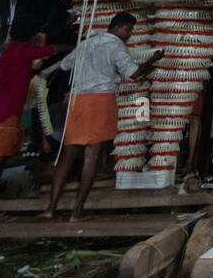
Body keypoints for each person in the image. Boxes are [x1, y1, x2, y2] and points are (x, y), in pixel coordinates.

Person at [40, 13, 159, 221]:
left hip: (78, 102)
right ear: (121, 28)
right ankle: (77, 212)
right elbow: (134, 73)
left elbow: (65, 65)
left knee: (67, 156)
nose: (130, 35)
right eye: (129, 30)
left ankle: (51, 209)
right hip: (100, 100)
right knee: (91, 157)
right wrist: (153, 60)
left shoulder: (87, 44)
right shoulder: (116, 47)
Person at [0, 22, 58, 217]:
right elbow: (50, 51)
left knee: (1, 157)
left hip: (8, 108)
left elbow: (37, 61)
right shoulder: (21, 51)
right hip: (7, 109)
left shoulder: (14, 52)